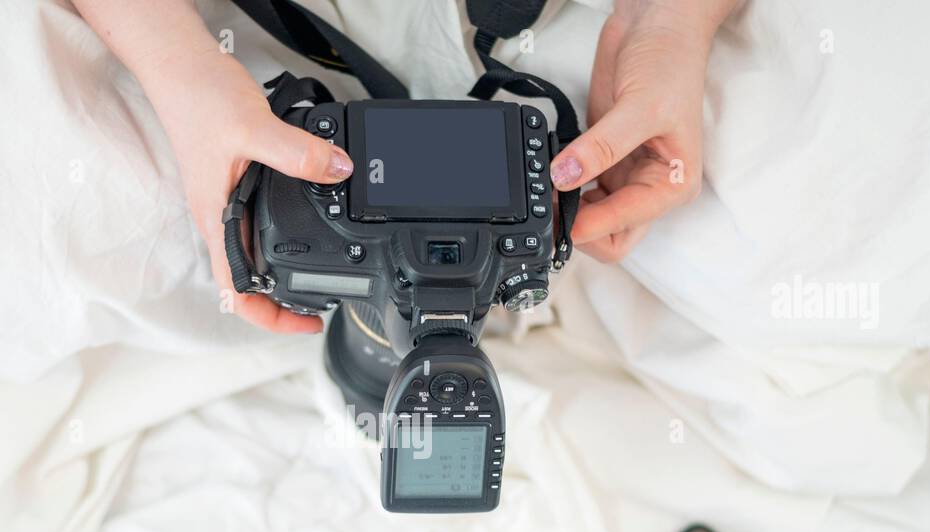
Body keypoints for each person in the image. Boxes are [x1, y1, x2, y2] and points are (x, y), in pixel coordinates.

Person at [72, 0, 738, 333]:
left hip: (577, 32)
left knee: (745, 218)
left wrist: (672, 25)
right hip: (238, 40)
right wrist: (183, 74)